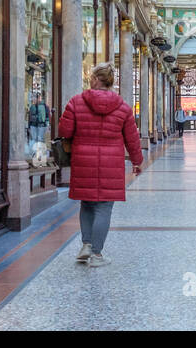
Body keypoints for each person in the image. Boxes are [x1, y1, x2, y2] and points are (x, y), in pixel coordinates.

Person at [58, 63, 143, 268]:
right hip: (111, 164)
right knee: (104, 207)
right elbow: (132, 139)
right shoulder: (123, 107)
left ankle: (86, 244)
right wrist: (137, 161)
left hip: (83, 160)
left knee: (86, 204)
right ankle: (96, 254)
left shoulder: (76, 102)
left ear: (95, 79)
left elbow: (65, 131)